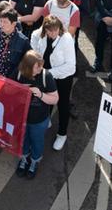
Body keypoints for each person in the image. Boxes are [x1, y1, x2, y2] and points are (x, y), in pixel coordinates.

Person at [28, 15, 76, 151]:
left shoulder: (67, 40)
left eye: (55, 30)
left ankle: (62, 134)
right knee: (45, 100)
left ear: (60, 29)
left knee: (62, 104)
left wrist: (48, 73)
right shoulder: (40, 34)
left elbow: (71, 66)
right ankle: (46, 120)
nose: (52, 33)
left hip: (63, 78)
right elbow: (33, 44)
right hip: (45, 74)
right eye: (50, 30)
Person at [15, 50, 59, 179]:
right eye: (37, 66)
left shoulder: (46, 76)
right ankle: (24, 159)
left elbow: (55, 99)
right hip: (22, 119)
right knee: (23, 140)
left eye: (41, 65)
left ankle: (34, 162)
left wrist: (40, 94)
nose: (40, 69)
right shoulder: (19, 73)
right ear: (27, 67)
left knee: (37, 141)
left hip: (39, 120)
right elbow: (8, 90)